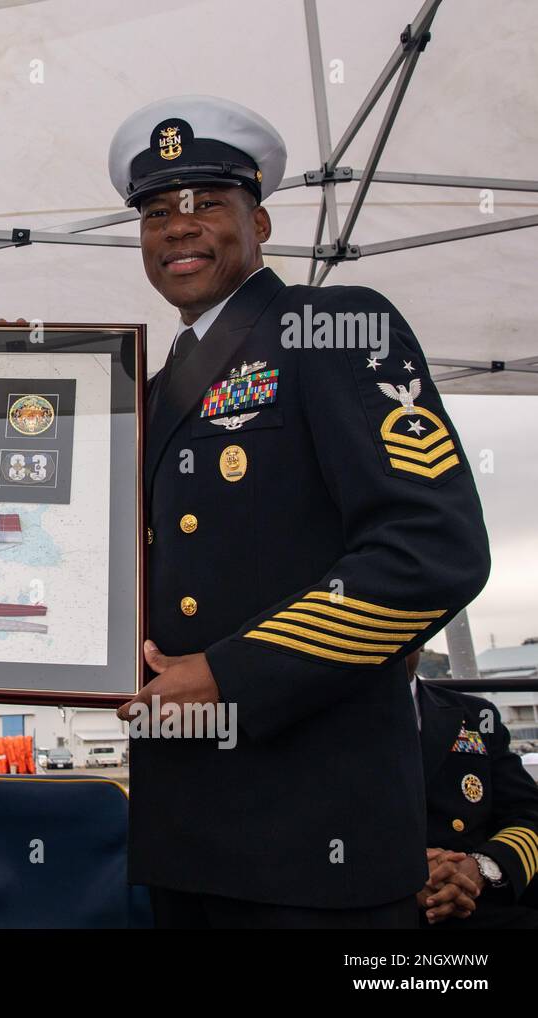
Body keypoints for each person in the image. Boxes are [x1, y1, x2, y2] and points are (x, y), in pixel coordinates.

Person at [109, 95, 491, 928]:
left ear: (263, 222)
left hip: (318, 842)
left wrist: (229, 675)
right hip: (188, 832)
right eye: (155, 213)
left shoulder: (333, 327)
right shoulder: (144, 392)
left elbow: (432, 548)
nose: (178, 228)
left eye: (207, 203)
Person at [406, 650, 538, 929]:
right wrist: (404, 873)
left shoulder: (477, 715)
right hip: (371, 905)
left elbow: (528, 812)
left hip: (479, 901)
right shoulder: (311, 719)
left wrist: (481, 867)